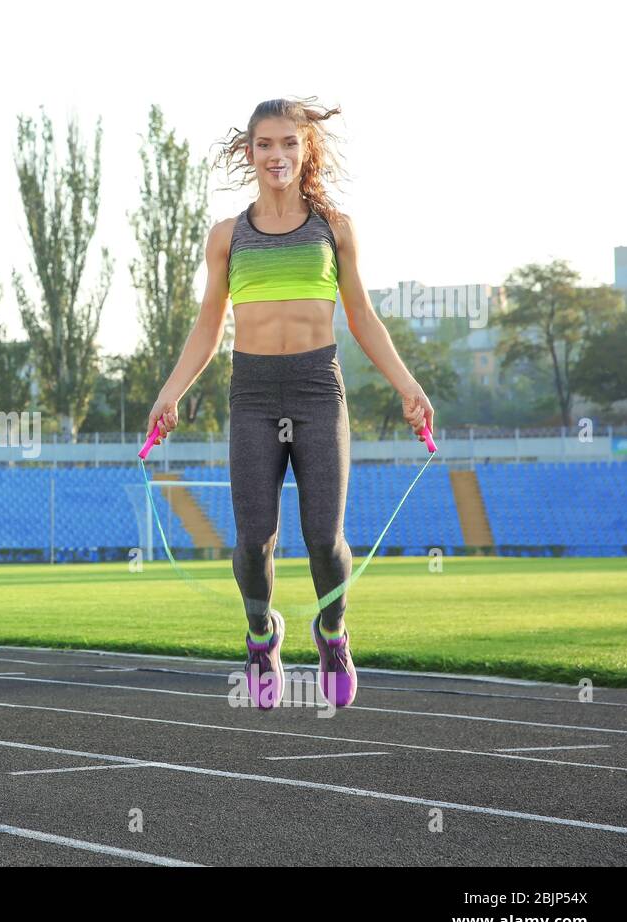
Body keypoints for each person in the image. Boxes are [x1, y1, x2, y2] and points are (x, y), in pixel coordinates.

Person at [145, 98, 434, 710]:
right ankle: (260, 636)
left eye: (288, 144)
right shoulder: (228, 236)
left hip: (315, 389)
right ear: (248, 152)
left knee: (324, 538)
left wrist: (408, 387)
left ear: (307, 152)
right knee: (254, 540)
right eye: (264, 144)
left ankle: (332, 634)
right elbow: (207, 327)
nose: (276, 155)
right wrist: (170, 394)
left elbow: (362, 318)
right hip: (251, 392)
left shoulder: (335, 230)